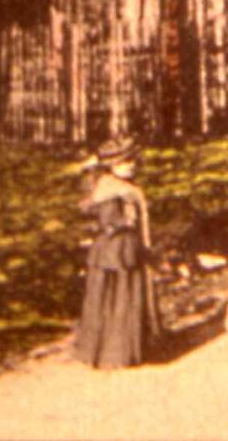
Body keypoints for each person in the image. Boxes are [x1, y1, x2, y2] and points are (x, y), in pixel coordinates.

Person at [71, 139, 160, 368]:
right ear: (111, 165)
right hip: (116, 250)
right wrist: (125, 220)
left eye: (131, 161)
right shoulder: (111, 187)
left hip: (128, 246)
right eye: (123, 162)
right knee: (115, 297)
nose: (129, 166)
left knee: (125, 295)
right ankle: (114, 352)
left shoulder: (126, 185)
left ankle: (130, 349)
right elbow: (107, 220)